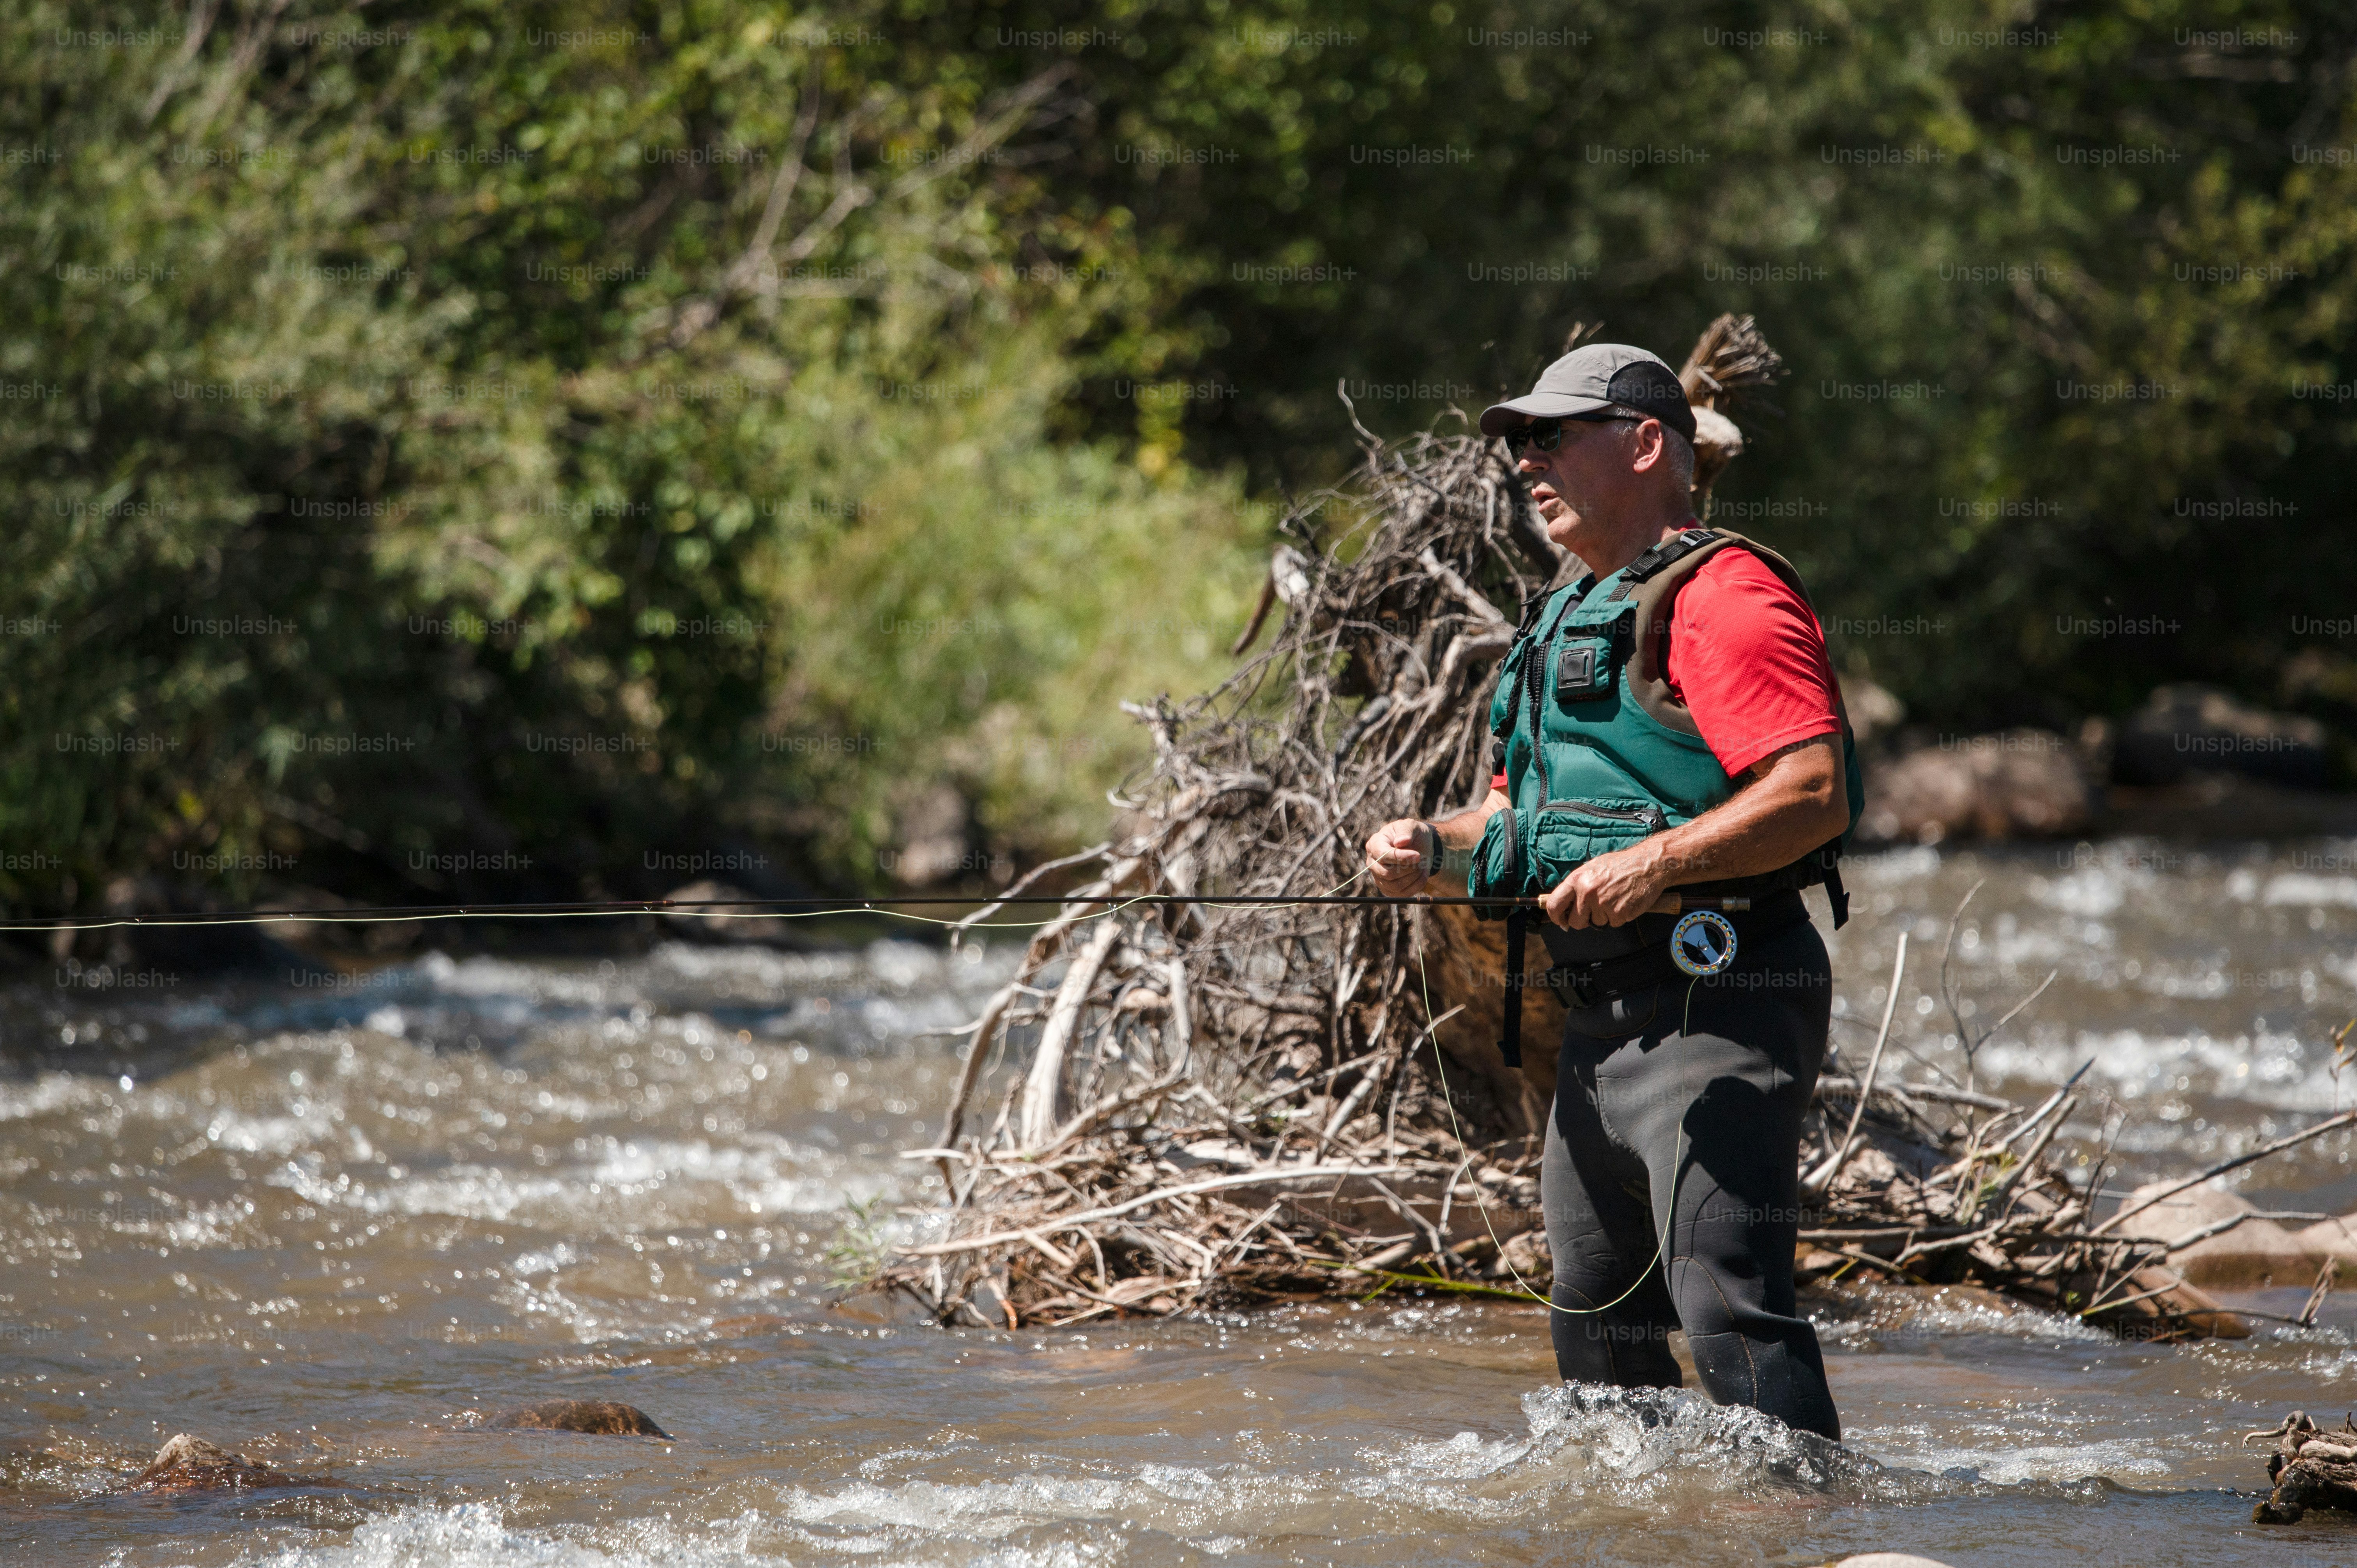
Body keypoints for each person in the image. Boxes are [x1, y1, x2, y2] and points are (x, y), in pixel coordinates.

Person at [1361, 342, 1861, 1441]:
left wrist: (1658, 863)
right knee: (1596, 1333)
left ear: (1647, 445)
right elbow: (1505, 813)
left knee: (1727, 1307)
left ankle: (1814, 1535)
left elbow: (1817, 791)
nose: (1527, 463)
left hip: (1725, 999)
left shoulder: (1726, 594)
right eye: (1519, 444)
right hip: (1599, 1025)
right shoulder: (1562, 617)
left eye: (1552, 437)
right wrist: (1429, 850)